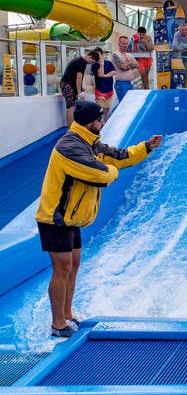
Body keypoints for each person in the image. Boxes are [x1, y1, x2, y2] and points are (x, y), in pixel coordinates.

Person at [35, 100, 162, 337]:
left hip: (72, 219)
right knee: (62, 268)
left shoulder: (89, 143)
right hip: (56, 218)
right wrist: (108, 169)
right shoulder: (69, 147)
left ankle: (68, 313)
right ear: (90, 122)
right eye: (100, 119)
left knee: (73, 266)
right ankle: (58, 324)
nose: (102, 123)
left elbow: (120, 156)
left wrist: (146, 147)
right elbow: (100, 174)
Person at [59, 49, 100, 125]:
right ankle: (70, 127)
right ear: (90, 57)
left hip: (68, 84)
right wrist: (79, 92)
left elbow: (76, 77)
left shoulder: (80, 60)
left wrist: (80, 88)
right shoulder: (82, 62)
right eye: (92, 62)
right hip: (68, 85)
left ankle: (72, 126)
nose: (91, 64)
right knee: (70, 107)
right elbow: (79, 78)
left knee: (72, 106)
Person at [90, 47, 117, 123]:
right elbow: (100, 74)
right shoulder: (94, 65)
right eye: (95, 55)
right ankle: (98, 123)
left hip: (109, 89)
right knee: (99, 108)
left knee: (107, 108)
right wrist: (101, 64)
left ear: (102, 54)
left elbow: (114, 72)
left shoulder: (108, 63)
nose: (97, 57)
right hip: (100, 89)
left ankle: (104, 122)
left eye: (98, 54)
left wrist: (106, 75)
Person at [111, 36, 139, 103]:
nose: (125, 45)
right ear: (119, 44)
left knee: (130, 104)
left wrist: (127, 63)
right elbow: (123, 67)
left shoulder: (129, 55)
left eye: (126, 43)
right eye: (123, 43)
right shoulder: (115, 54)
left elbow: (137, 65)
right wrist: (131, 65)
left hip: (130, 83)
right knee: (123, 104)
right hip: (121, 83)